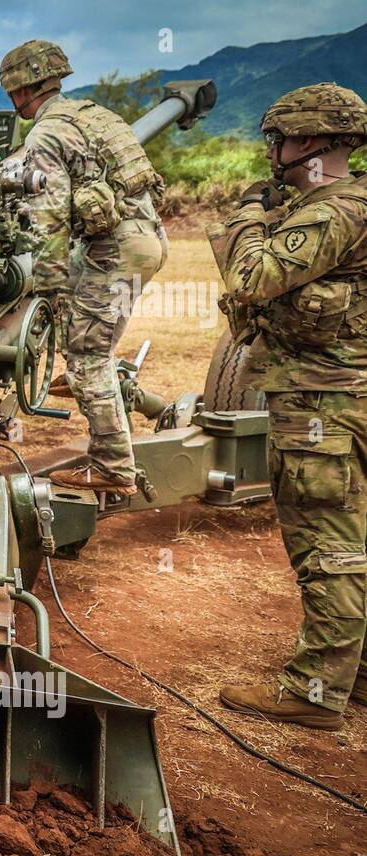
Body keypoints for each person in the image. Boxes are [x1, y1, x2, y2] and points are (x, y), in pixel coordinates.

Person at [210, 83, 367, 730]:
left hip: (319, 401)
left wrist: (248, 216)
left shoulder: (331, 212)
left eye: (278, 139)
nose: (271, 151)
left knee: (326, 541)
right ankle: (353, 675)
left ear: (311, 143)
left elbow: (251, 279)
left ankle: (314, 692)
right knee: (353, 535)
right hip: (346, 392)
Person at [0, 39, 169, 496]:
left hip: (115, 249)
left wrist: (50, 291)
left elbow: (49, 221)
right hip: (147, 238)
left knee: (87, 354)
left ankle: (113, 467)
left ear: (17, 92)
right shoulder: (98, 116)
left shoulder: (45, 134)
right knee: (89, 322)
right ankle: (85, 373)